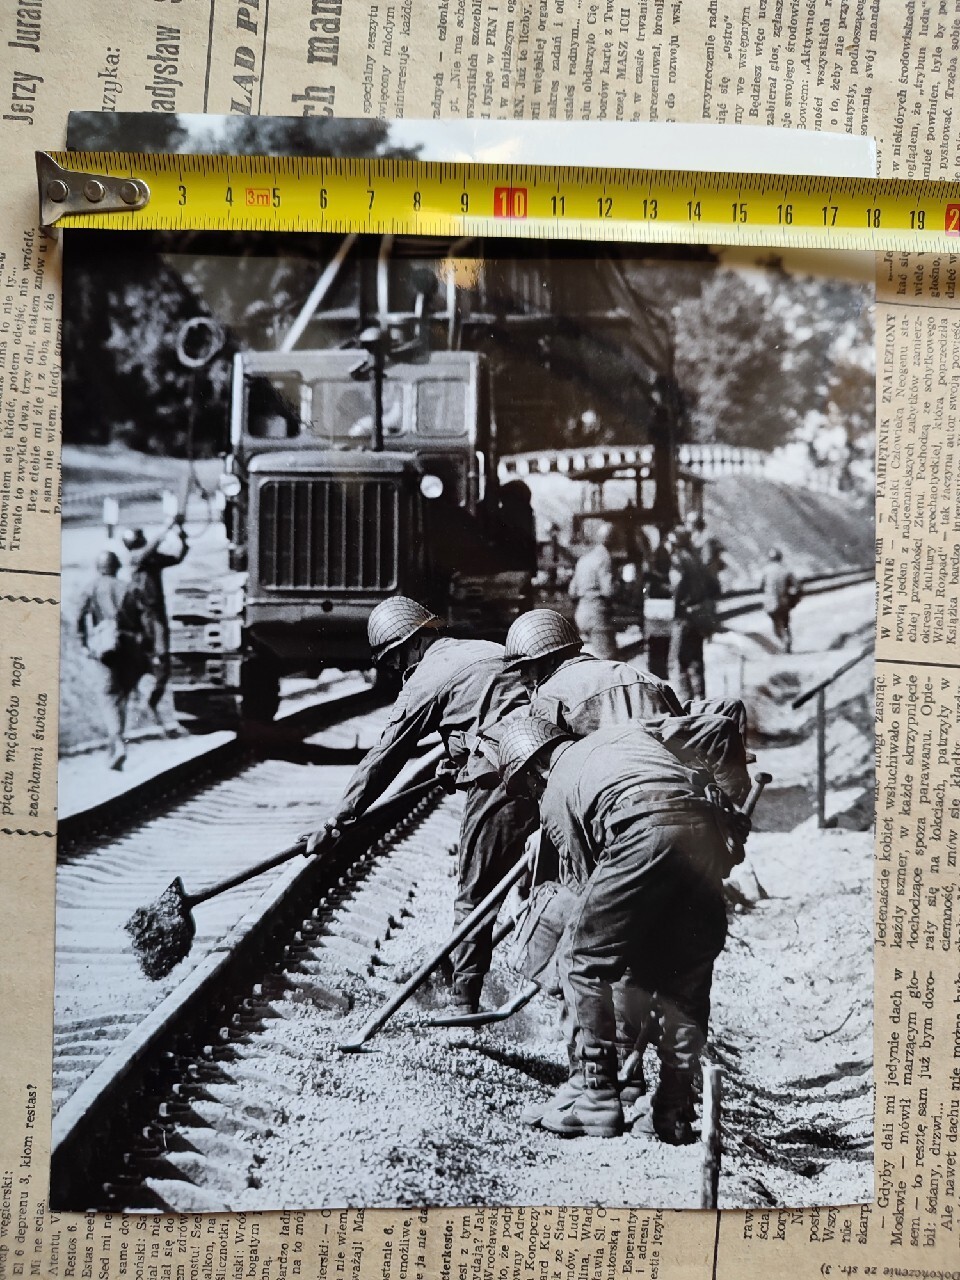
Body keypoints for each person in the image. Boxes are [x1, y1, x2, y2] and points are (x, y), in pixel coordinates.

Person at [496, 710, 751, 1143]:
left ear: (535, 769)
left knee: (581, 959)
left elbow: (586, 896)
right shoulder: (626, 734)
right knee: (686, 975)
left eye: (529, 788)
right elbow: (720, 725)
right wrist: (731, 796)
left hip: (643, 831)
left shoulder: (557, 789)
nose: (534, 795)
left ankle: (596, 1098)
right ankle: (673, 1109)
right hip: (704, 832)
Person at [305, 596, 537, 1014]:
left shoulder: (426, 676)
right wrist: (459, 762)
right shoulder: (482, 648)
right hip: (550, 763)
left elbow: (385, 755)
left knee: (475, 894)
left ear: (414, 643)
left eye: (395, 661)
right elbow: (494, 711)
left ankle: (463, 1002)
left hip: (505, 777)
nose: (397, 672)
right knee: (545, 877)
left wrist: (338, 818)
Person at [76, 550, 150, 770]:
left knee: (108, 695)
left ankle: (117, 743)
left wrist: (84, 643)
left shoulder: (91, 587)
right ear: (117, 567)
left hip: (105, 647)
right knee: (121, 696)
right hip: (130, 647)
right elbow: (143, 619)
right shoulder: (129, 588)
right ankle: (117, 745)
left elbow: (79, 617)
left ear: (98, 567)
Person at [122, 519, 189, 731]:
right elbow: (147, 551)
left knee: (163, 661)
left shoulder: (150, 560)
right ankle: (139, 703)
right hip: (143, 617)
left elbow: (177, 558)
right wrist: (166, 530)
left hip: (156, 615)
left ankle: (150, 702)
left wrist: (182, 538)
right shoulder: (136, 558)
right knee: (150, 657)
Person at [667, 527, 722, 702]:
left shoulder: (678, 559)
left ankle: (685, 703)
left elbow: (677, 585)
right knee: (696, 661)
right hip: (698, 616)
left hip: (684, 617)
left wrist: (674, 607)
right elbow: (713, 585)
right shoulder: (696, 558)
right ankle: (700, 699)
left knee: (678, 662)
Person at [568, 520, 617, 659]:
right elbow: (608, 590)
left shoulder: (583, 560)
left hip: (581, 613)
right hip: (597, 614)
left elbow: (572, 591)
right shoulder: (604, 557)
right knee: (607, 660)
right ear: (610, 539)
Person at [761, 547, 801, 652]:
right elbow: (797, 586)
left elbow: (761, 586)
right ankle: (787, 640)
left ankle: (782, 640)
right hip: (784, 601)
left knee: (776, 623)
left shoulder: (766, 570)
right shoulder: (786, 570)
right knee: (785, 622)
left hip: (770, 602)